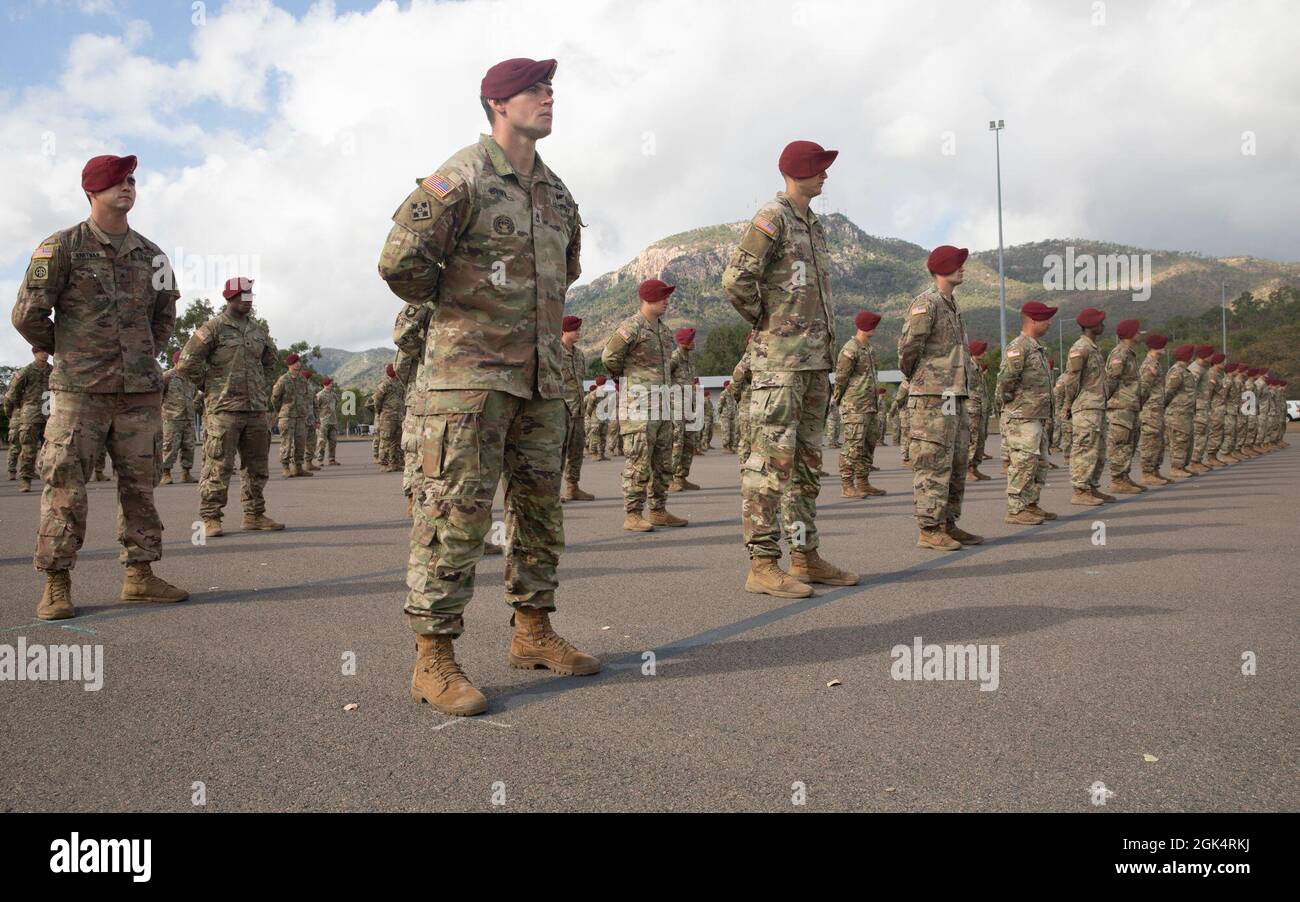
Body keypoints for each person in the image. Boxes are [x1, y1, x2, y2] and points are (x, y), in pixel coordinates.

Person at [378, 56, 599, 716]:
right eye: (535, 88)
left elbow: (568, 271)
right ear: (499, 103)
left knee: (539, 514)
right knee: (453, 518)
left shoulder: (557, 194)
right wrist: (461, 312)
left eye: (551, 87)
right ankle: (434, 659)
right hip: (467, 381)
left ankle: (532, 633)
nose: (549, 96)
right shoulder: (462, 176)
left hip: (539, 381)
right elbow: (399, 262)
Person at [11, 153, 188, 620]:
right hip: (79, 392)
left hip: (138, 394)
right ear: (93, 191)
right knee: (65, 487)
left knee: (140, 487)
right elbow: (27, 314)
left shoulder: (154, 256)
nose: (128, 187)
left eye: (132, 180)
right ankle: (56, 583)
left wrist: (140, 353)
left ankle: (140, 575)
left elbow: (165, 315)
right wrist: (70, 350)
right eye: (117, 181)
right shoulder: (62, 247)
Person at [722, 140, 858, 595]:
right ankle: (762, 564)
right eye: (819, 167)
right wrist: (767, 322)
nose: (825, 175)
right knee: (769, 465)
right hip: (780, 366)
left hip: (814, 364)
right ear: (796, 171)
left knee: (805, 466)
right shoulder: (773, 217)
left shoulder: (812, 225)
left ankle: (804, 555)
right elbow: (736, 279)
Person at [177, 277, 284, 536]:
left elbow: (271, 362)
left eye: (250, 296)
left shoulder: (258, 331)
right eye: (241, 297)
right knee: (218, 465)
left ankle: (254, 514)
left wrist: (258, 386)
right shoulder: (213, 328)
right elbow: (186, 363)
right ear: (230, 298)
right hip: (223, 410)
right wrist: (211, 386)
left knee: (257, 466)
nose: (247, 301)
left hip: (256, 409)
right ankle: (211, 518)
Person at [897, 245, 982, 551]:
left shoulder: (952, 305)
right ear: (942, 267)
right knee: (932, 461)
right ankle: (929, 528)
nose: (963, 268)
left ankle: (947, 522)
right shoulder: (927, 304)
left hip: (954, 395)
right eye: (957, 264)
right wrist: (923, 380)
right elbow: (908, 350)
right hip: (932, 397)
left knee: (957, 460)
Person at [603, 279, 688, 531]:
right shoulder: (632, 326)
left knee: (663, 461)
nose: (667, 301)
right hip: (638, 406)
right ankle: (632, 514)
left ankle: (658, 510)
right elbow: (609, 357)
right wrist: (628, 379)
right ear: (649, 298)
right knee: (639, 460)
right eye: (663, 297)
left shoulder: (662, 329)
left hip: (661, 403)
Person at [998, 301, 1059, 526]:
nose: (1049, 323)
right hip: (1023, 415)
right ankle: (1016, 509)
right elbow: (1005, 382)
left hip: (1037, 415)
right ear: (1033, 321)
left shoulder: (1036, 347)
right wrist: (1011, 407)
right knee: (1023, 462)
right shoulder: (1019, 347)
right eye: (1045, 319)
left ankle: (1030, 503)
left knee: (1039, 462)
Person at [1059, 307, 1114, 506]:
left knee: (1098, 450)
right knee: (1085, 448)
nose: (1103, 325)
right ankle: (1080, 490)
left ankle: (1090, 486)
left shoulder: (1092, 348)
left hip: (1096, 406)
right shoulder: (1080, 348)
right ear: (1092, 325)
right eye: (1100, 322)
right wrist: (1067, 403)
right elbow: (1071, 380)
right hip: (1085, 407)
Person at [833, 310, 885, 498]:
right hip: (855, 406)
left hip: (869, 405)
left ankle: (863, 482)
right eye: (873, 325)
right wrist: (839, 401)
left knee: (868, 445)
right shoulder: (850, 349)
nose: (875, 329)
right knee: (853, 446)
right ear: (866, 326)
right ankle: (847, 485)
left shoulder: (868, 348)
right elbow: (841, 378)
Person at [1104, 319, 1145, 494]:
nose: (1140, 333)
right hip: (1120, 406)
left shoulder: (1129, 353)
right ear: (1129, 333)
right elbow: (1111, 380)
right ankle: (1117, 479)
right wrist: (1108, 401)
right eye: (1137, 330)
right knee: (1120, 443)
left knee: (1129, 443)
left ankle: (1124, 476)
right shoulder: (1119, 354)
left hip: (1129, 405)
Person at [3, 347, 51, 492]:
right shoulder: (26, 371)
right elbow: (11, 395)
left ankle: (51, 479)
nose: (45, 354)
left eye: (46, 351)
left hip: (49, 413)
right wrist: (17, 409)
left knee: (52, 449)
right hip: (30, 414)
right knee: (28, 449)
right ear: (35, 353)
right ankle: (25, 480)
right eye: (41, 351)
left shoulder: (54, 370)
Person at [559, 315, 593, 502]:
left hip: (578, 411)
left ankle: (572, 487)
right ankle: (552, 492)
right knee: (558, 453)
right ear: (564, 331)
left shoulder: (579, 354)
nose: (578, 332)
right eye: (575, 329)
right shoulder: (554, 352)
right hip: (561, 410)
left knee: (576, 451)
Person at [668, 327, 700, 491]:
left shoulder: (688, 359)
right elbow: (663, 378)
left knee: (689, 442)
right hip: (676, 407)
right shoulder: (674, 358)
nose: (694, 342)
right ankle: (667, 479)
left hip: (688, 406)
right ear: (684, 342)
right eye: (692, 339)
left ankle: (681, 477)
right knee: (676, 442)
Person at [1136, 334, 1171, 485]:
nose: (1165, 348)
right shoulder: (1149, 364)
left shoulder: (1156, 363)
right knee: (1150, 440)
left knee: (1157, 440)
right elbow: (1143, 388)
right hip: (1150, 409)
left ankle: (1155, 470)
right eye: (1163, 345)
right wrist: (1144, 408)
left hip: (1156, 408)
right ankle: (1147, 472)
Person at [272, 354, 313, 477]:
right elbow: (275, 398)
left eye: (299, 362)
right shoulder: (283, 379)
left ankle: (298, 468)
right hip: (287, 416)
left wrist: (304, 409)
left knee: (301, 441)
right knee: (287, 442)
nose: (298, 364)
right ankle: (285, 467)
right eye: (295, 362)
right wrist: (282, 411)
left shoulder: (302, 380)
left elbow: (306, 396)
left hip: (300, 416)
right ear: (289, 365)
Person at [1163, 344, 1198, 478]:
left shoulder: (1185, 370)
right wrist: (1165, 407)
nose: (1193, 357)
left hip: (1185, 412)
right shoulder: (1177, 371)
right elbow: (1169, 391)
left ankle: (1182, 465)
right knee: (1179, 440)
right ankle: (1176, 467)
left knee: (1186, 439)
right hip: (1177, 413)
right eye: (1191, 355)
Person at [965, 340, 991, 481]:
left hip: (980, 409)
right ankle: (967, 469)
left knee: (980, 440)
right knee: (972, 440)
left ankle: (975, 468)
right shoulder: (968, 366)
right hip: (971, 409)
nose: (985, 353)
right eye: (982, 351)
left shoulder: (978, 367)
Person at [315, 377, 340, 465]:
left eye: (331, 383)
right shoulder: (319, 395)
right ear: (325, 384)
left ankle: (332, 459)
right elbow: (316, 408)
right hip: (323, 422)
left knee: (333, 441)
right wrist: (317, 420)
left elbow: (336, 404)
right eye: (330, 383)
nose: (331, 385)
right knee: (322, 441)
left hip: (333, 421)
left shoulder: (334, 395)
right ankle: (319, 460)